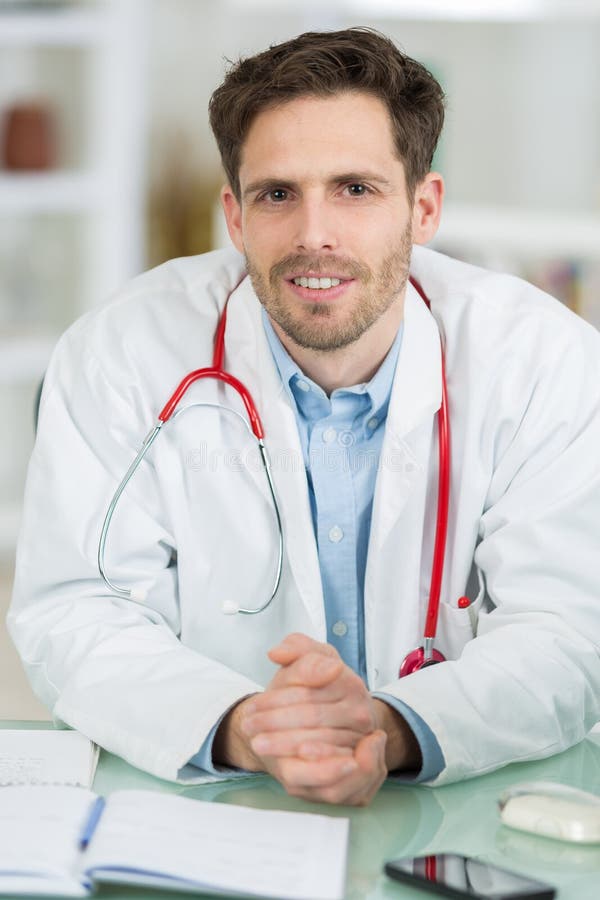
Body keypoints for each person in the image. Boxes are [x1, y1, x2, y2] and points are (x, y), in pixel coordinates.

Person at [8, 28, 600, 807]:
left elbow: (572, 630)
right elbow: (76, 611)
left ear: (423, 208)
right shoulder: (119, 351)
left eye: (355, 189)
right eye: (277, 194)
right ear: (234, 215)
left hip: (461, 802)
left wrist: (393, 728)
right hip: (212, 804)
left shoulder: (543, 360)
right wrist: (242, 726)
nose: (314, 234)